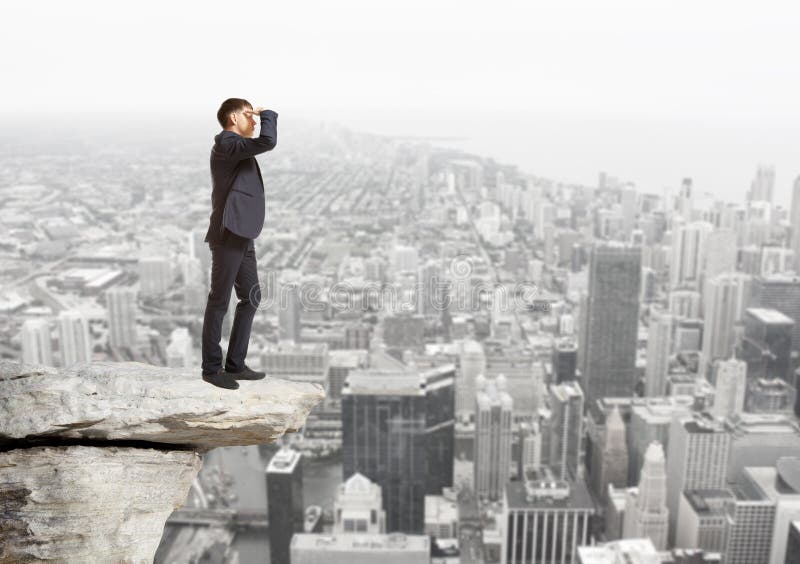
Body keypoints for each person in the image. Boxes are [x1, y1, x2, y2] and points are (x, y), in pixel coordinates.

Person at [201, 98, 278, 389]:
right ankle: (212, 369)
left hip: (242, 234)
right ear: (234, 118)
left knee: (251, 297)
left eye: (256, 116)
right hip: (228, 234)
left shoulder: (236, 148)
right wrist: (267, 114)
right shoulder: (227, 143)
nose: (254, 120)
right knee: (219, 301)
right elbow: (268, 141)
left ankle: (235, 365)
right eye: (249, 115)